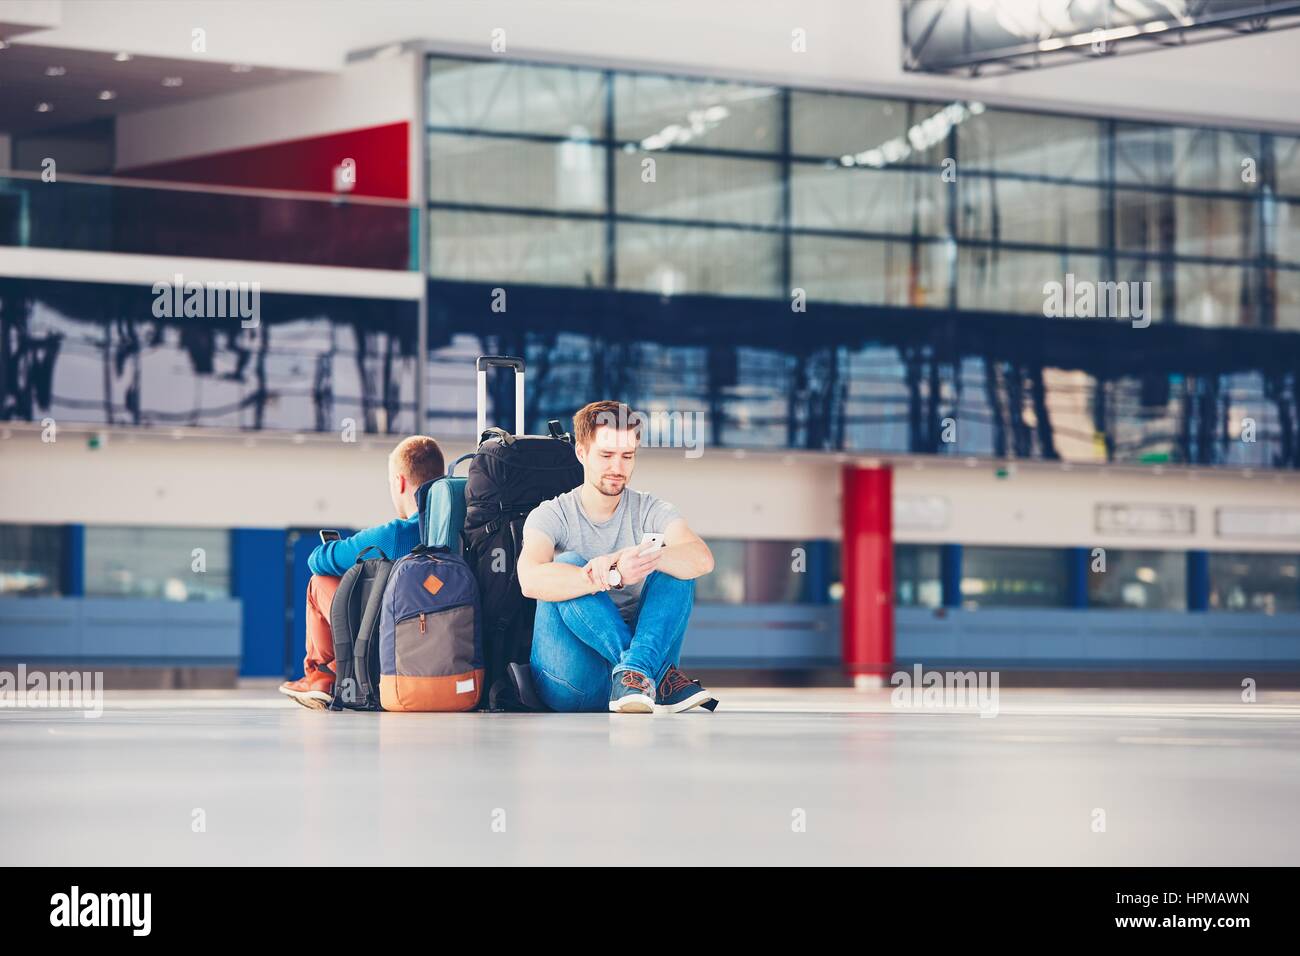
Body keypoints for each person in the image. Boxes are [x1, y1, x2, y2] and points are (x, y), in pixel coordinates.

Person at [517, 401, 716, 714]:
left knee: (673, 566)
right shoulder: (552, 514)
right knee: (568, 564)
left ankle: (634, 671)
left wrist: (627, 557)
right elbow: (529, 580)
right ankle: (647, 669)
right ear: (581, 453)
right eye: (606, 455)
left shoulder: (651, 509)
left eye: (627, 456)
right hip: (571, 682)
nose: (618, 467)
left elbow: (702, 559)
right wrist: (613, 575)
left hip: (637, 692)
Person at [278, 435, 445, 710]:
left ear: (400, 482)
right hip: (443, 643)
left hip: (387, 643)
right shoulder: (462, 527)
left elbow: (317, 560)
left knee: (319, 582)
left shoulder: (393, 535)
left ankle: (322, 676)